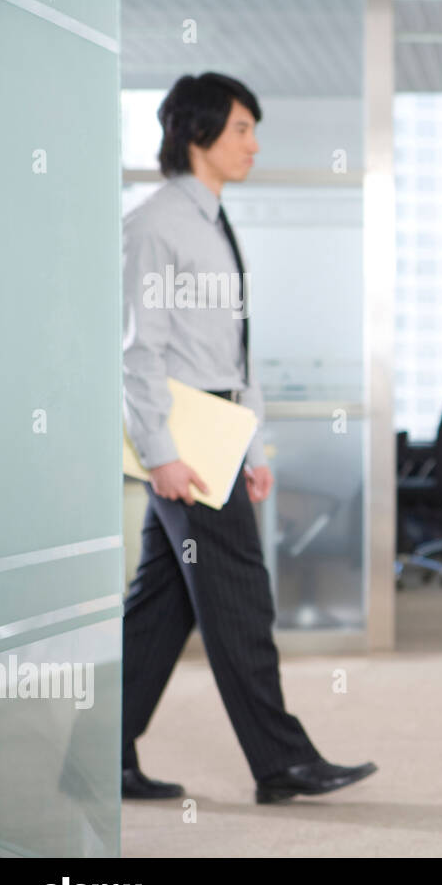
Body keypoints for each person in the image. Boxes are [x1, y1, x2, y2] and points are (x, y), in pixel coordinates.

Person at [121, 72, 376, 804]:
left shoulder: (212, 222)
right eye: (241, 129)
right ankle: (282, 762)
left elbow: (237, 350)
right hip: (186, 432)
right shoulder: (156, 224)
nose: (254, 145)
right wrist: (163, 453)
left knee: (163, 603)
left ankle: (99, 753)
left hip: (219, 426)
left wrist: (254, 448)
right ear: (197, 133)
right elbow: (142, 350)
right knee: (240, 595)